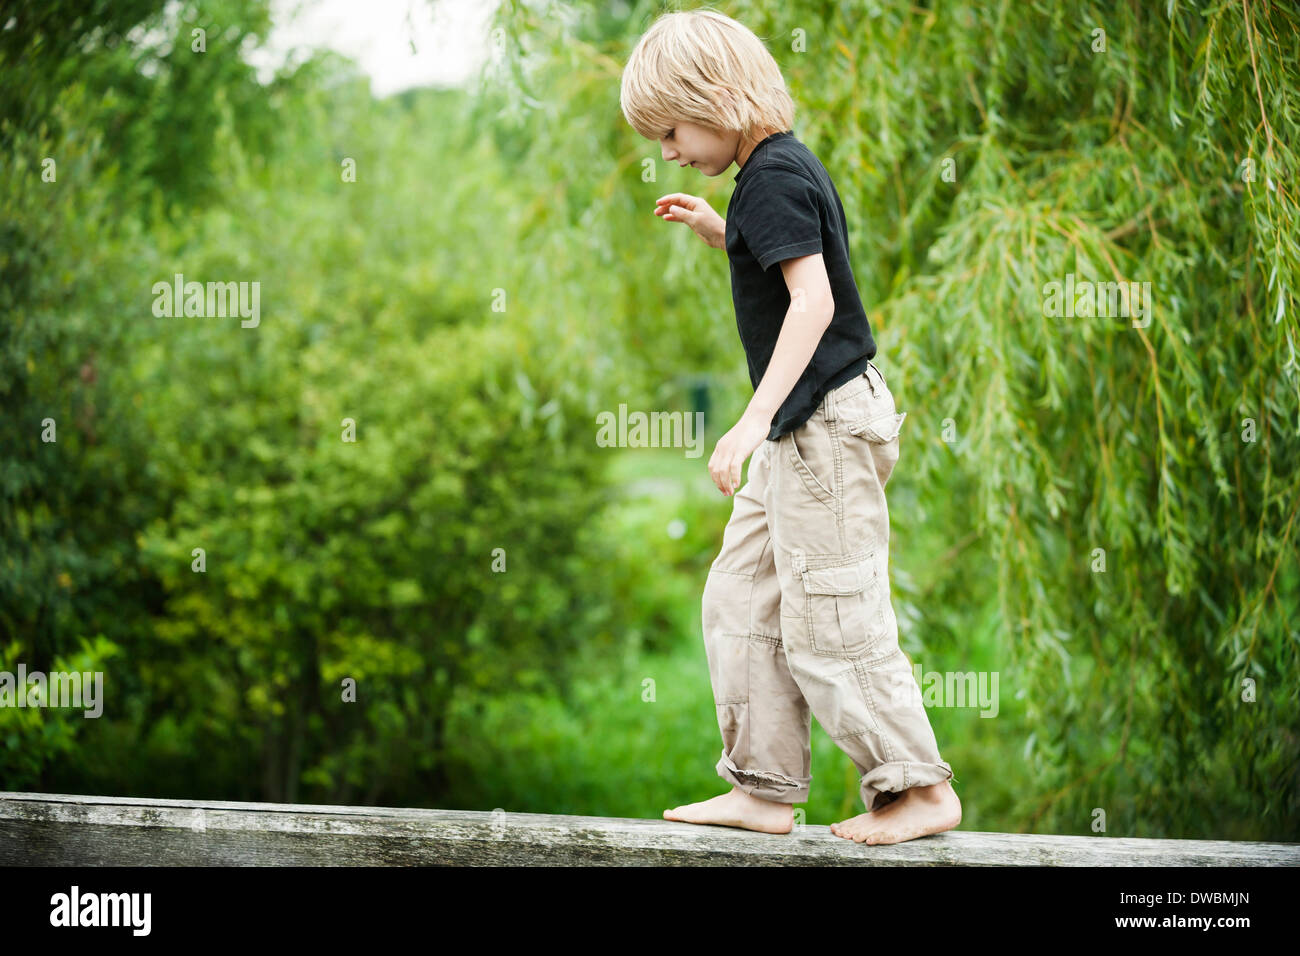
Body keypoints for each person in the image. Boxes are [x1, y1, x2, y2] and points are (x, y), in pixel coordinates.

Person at [619, 8, 961, 846]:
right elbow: (789, 267)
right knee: (741, 598)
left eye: (669, 129)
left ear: (717, 97)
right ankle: (765, 787)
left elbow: (815, 303)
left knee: (832, 616)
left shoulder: (771, 177)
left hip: (822, 430)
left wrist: (749, 421)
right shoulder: (766, 179)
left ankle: (916, 787)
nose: (665, 150)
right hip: (803, 429)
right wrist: (720, 231)